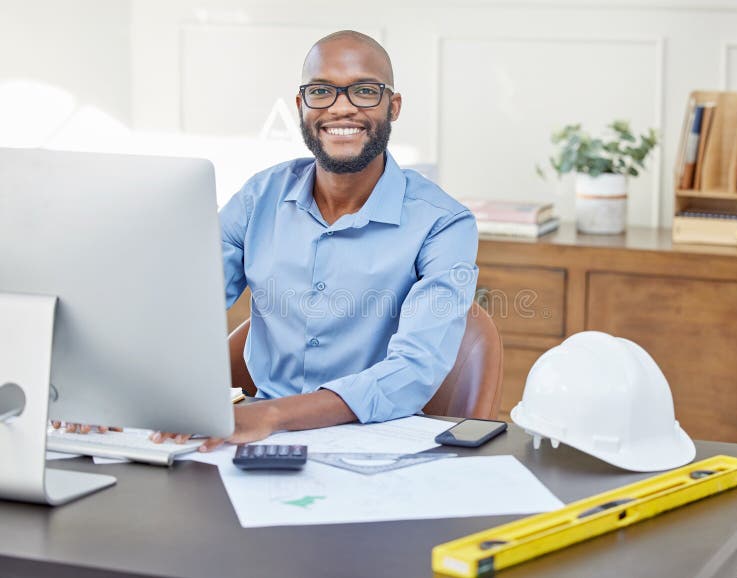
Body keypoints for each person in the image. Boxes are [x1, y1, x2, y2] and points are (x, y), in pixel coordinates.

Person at [56, 30, 479, 451]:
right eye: (321, 91)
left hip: (375, 442)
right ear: (301, 106)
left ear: (394, 106)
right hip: (254, 439)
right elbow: (176, 308)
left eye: (365, 91)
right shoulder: (261, 196)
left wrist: (273, 415)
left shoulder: (445, 223)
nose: (341, 107)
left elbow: (413, 370)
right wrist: (98, 389)